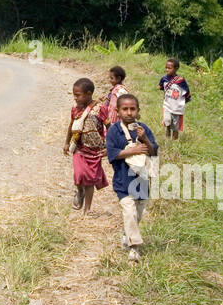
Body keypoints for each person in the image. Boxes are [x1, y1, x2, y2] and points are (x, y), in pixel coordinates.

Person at [105, 93, 158, 264]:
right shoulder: (114, 131)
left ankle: (126, 235)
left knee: (137, 215)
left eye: (132, 109)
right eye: (125, 109)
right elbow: (112, 154)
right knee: (129, 211)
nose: (129, 113)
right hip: (122, 182)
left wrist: (144, 139)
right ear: (118, 111)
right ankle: (134, 249)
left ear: (138, 111)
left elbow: (153, 152)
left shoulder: (144, 129)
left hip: (141, 182)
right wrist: (132, 151)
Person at [62, 77, 108, 214]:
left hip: (95, 151)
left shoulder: (100, 109)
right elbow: (71, 126)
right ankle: (79, 191)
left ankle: (87, 209)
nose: (75, 98)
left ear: (89, 94)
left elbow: (110, 127)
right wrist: (66, 142)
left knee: (89, 180)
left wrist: (110, 146)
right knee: (78, 175)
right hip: (80, 148)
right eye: (74, 95)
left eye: (78, 95)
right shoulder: (75, 110)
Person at [159, 58, 191, 140]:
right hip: (167, 105)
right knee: (167, 120)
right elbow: (161, 87)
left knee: (176, 126)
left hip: (177, 107)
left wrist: (181, 103)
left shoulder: (181, 81)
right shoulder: (164, 79)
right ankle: (167, 132)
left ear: (176, 68)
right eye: (166, 67)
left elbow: (187, 94)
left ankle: (174, 141)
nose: (167, 70)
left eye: (169, 68)